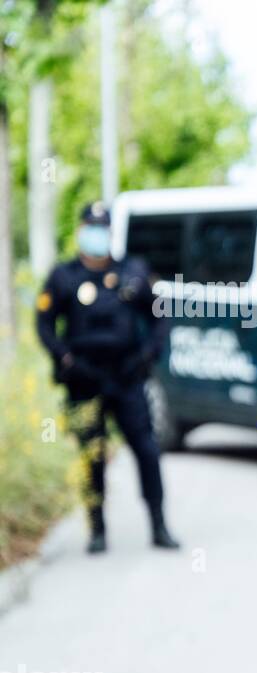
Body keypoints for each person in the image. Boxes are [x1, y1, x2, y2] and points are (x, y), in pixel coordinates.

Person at [36, 201, 179, 554]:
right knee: (91, 455)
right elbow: (43, 323)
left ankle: (159, 524)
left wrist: (148, 356)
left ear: (111, 233)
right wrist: (64, 358)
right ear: (81, 231)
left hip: (127, 376)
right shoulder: (63, 276)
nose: (96, 235)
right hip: (84, 379)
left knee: (146, 450)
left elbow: (160, 315)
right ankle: (97, 529)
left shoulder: (134, 271)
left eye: (102, 228)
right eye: (90, 227)